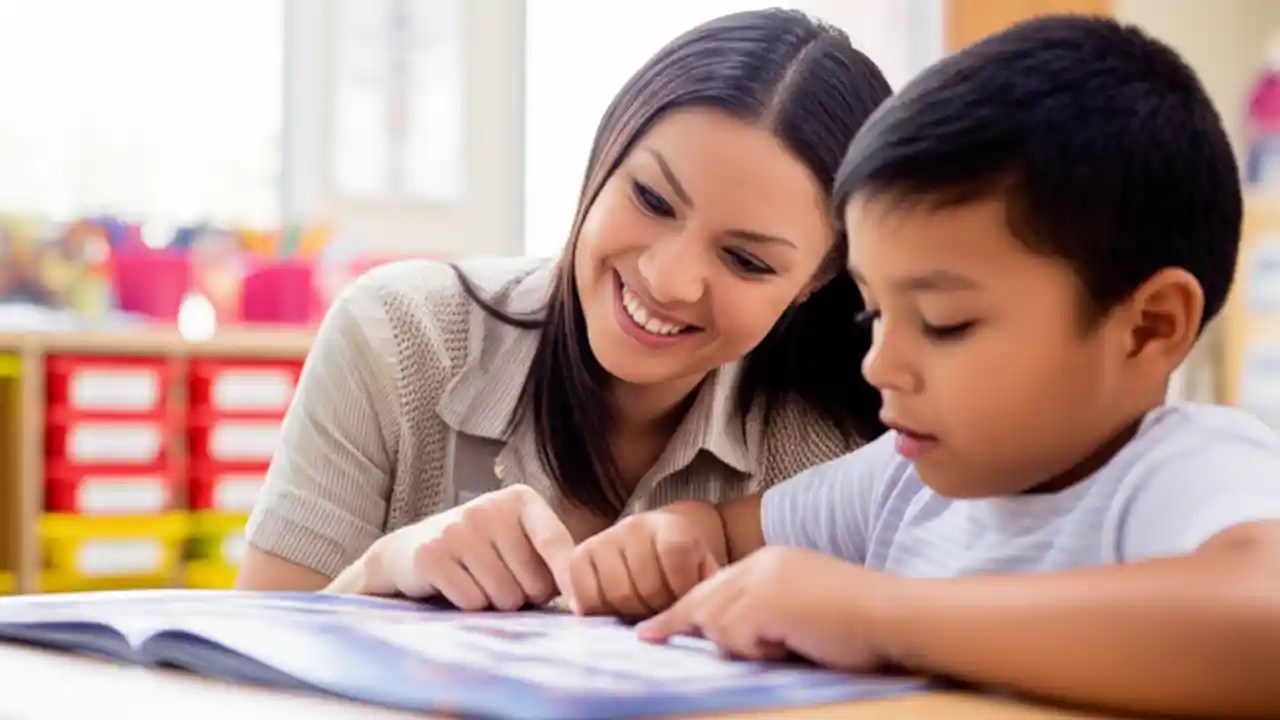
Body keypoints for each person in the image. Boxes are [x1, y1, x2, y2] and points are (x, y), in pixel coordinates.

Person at [565, 15, 1280, 718]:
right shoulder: (902, 482)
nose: (880, 365)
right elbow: (720, 530)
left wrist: (881, 615)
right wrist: (672, 537)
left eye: (943, 323)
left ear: (1148, 327)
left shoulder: (1182, 468)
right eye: (875, 315)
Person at [236, 8, 893, 611]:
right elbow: (247, 679)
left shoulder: (831, 454)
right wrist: (383, 569)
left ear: (820, 278)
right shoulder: (396, 338)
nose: (669, 279)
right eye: (652, 199)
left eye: (746, 261)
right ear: (605, 156)